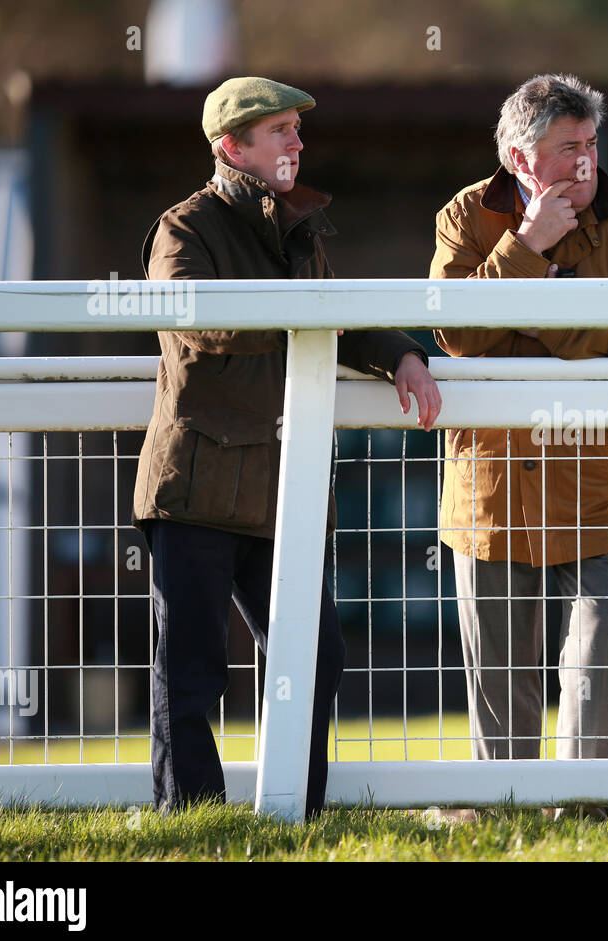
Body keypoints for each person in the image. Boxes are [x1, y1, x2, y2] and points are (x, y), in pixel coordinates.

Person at [134, 76, 441, 819]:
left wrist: (401, 353)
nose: (298, 143)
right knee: (191, 673)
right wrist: (303, 324)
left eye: (298, 131)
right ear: (230, 147)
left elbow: (337, 316)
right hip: (196, 487)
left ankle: (297, 814)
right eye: (280, 131)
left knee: (315, 657)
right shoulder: (184, 227)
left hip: (282, 491)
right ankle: (192, 823)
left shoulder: (298, 229)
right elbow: (195, 318)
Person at [429, 74, 608, 800]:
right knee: (500, 673)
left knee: (601, 659)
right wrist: (530, 244)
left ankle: (587, 811)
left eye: (592, 144)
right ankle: (506, 809)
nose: (584, 162)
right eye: (567, 147)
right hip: (493, 483)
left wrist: (534, 310)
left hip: (605, 477)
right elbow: (455, 331)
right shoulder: (464, 214)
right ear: (518, 154)